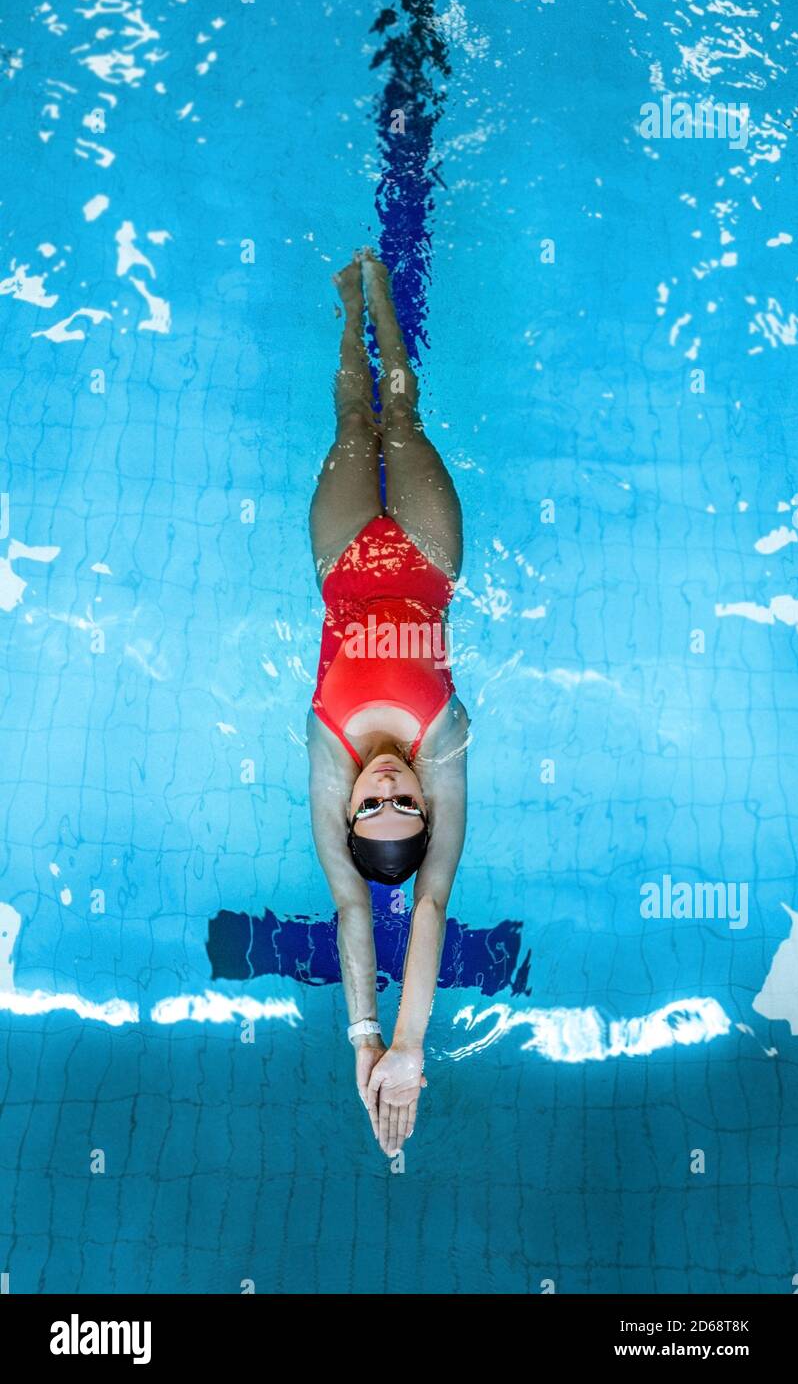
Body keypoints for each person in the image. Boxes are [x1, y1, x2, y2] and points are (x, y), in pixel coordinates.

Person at [307, 248, 469, 1156]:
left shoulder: (327, 746)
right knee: (398, 413)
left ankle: (345, 308)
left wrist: (364, 1037)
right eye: (402, 802)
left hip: (339, 566)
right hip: (424, 556)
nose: (385, 783)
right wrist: (410, 1045)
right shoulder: (442, 744)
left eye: (371, 805)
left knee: (347, 420)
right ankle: (379, 288)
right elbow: (430, 903)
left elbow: (352, 907)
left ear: (347, 809)